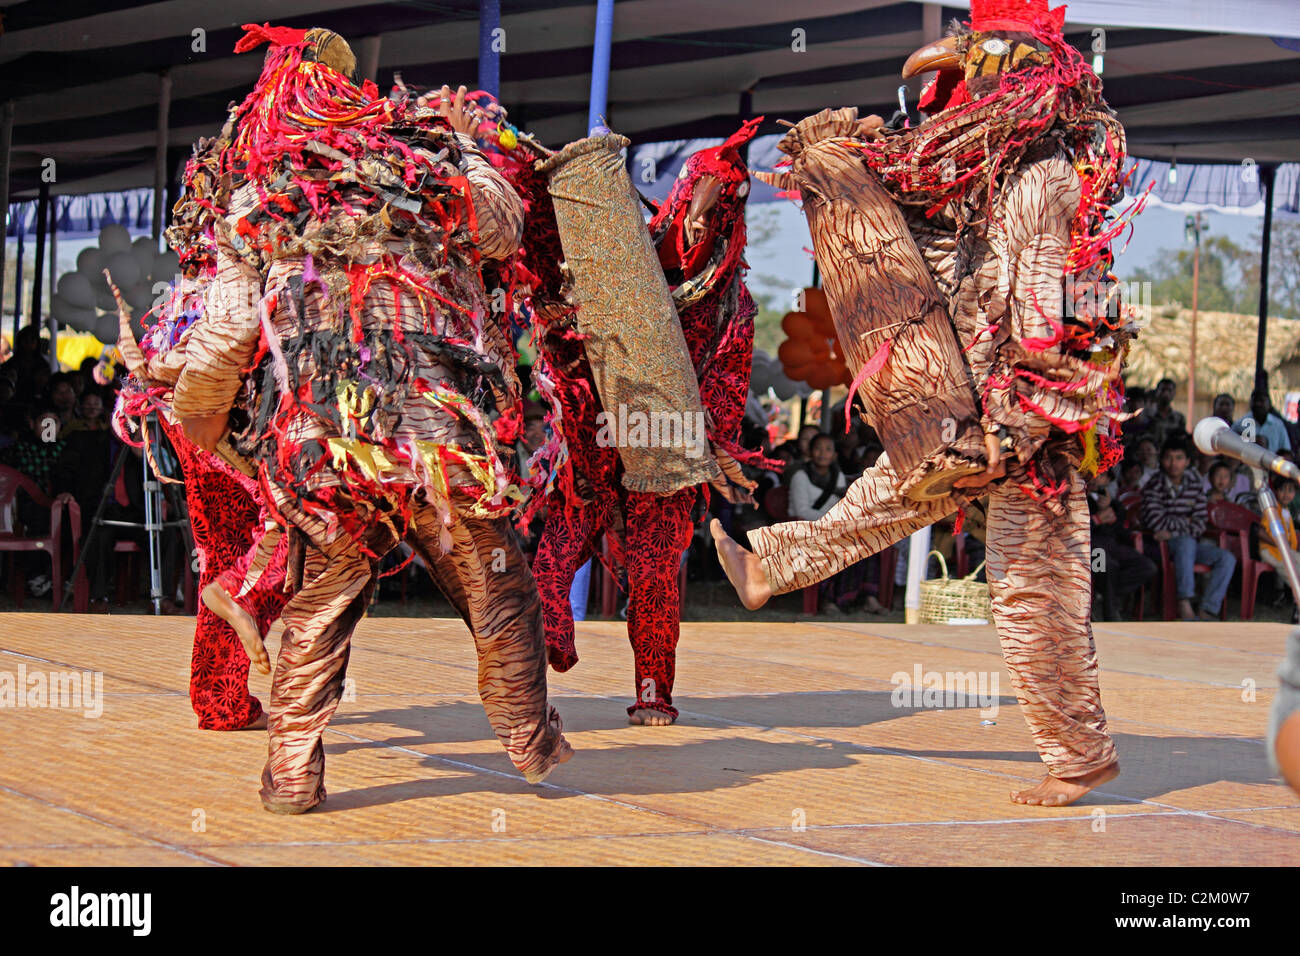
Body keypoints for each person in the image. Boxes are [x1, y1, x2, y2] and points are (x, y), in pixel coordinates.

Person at [714, 0, 1130, 806]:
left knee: (1030, 586)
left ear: (1020, 78)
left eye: (981, 66)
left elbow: (1043, 311)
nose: (963, 86)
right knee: (900, 492)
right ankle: (772, 565)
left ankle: (1080, 755)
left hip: (1023, 412)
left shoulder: (1041, 176)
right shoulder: (1002, 173)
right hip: (973, 400)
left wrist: (1023, 406)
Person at [171, 25, 570, 812]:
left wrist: (203, 423)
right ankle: (529, 740)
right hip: (440, 431)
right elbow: (503, 228)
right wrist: (472, 146)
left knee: (325, 593)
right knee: (494, 582)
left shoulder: (256, 199)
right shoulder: (427, 160)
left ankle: (293, 772)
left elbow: (221, 342)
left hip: (328, 438)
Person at [532, 120, 766, 725]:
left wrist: (718, 452)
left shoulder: (731, 307)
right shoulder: (623, 262)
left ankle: (654, 686)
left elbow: (727, 382)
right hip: (599, 423)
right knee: (564, 531)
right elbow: (571, 325)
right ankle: (544, 647)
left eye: (718, 208)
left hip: (667, 442)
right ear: (679, 198)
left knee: (656, 567)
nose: (699, 220)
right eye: (695, 201)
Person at [1140, 436, 1235, 621]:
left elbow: (1200, 523)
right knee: (1185, 542)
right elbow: (1156, 523)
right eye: (1169, 458)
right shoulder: (1154, 486)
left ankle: (1207, 609)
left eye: (1179, 458)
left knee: (1226, 558)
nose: (1173, 463)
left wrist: (1174, 528)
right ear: (1161, 460)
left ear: (1188, 461)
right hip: (1160, 547)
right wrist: (1186, 522)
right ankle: (1184, 602)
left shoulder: (1194, 484)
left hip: (1187, 544)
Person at [1087, 470, 1155, 620]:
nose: (1094, 479)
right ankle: (1110, 612)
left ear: (1107, 480)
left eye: (1100, 476)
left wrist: (1109, 514)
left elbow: (1122, 531)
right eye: (1091, 474)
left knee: (1147, 566)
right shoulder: (1079, 500)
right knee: (1107, 566)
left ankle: (1106, 597)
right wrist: (1097, 519)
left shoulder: (1115, 504)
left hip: (1113, 546)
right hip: (1091, 548)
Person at [1260, 477, 1300, 618]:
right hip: (1270, 550)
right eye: (1283, 490)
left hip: (1285, 551)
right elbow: (1261, 531)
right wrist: (1279, 543)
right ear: (1276, 491)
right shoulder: (1272, 509)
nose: (1286, 494)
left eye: (1290, 491)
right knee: (1290, 570)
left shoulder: (1287, 511)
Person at [1233, 389, 1292, 453]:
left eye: (1262, 401)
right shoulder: (1239, 424)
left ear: (1269, 404)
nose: (1258, 404)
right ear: (1250, 403)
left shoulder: (1278, 425)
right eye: (1255, 400)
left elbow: (1286, 452)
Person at [1146, 378, 1186, 447]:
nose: (1166, 393)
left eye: (1169, 390)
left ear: (1174, 393)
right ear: (1157, 392)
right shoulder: (1147, 414)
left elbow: (1181, 440)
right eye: (1163, 390)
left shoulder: (1179, 418)